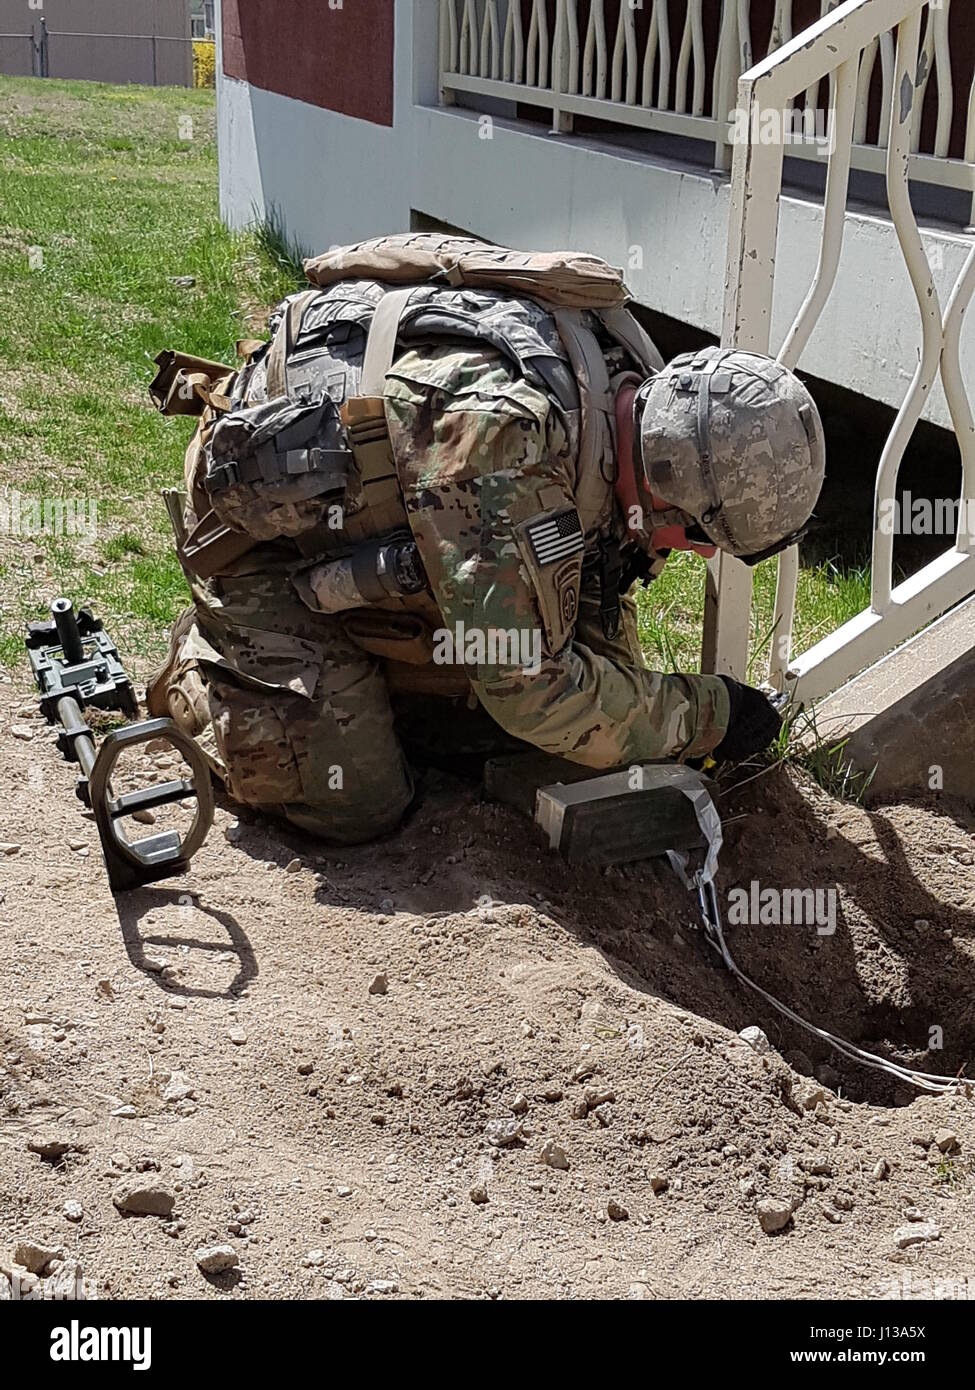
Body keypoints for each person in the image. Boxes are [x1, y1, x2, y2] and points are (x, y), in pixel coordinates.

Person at [147, 234, 825, 844]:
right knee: (356, 801)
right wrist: (709, 714)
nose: (702, 553)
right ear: (671, 479)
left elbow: (586, 607)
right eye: (703, 534)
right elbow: (536, 692)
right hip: (257, 539)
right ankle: (208, 673)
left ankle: (378, 671)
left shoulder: (624, 392)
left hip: (397, 517)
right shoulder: (508, 447)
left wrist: (644, 722)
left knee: (524, 731)